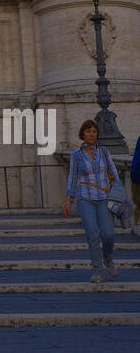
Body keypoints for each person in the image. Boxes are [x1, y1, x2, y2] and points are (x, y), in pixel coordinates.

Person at [65, 119, 120, 281]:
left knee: (108, 234)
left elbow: (114, 173)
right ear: (82, 134)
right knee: (93, 234)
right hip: (85, 198)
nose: (92, 134)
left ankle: (108, 258)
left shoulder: (104, 152)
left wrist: (118, 193)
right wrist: (69, 199)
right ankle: (97, 271)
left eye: (94, 131)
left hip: (104, 198)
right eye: (88, 131)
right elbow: (72, 177)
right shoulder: (76, 155)